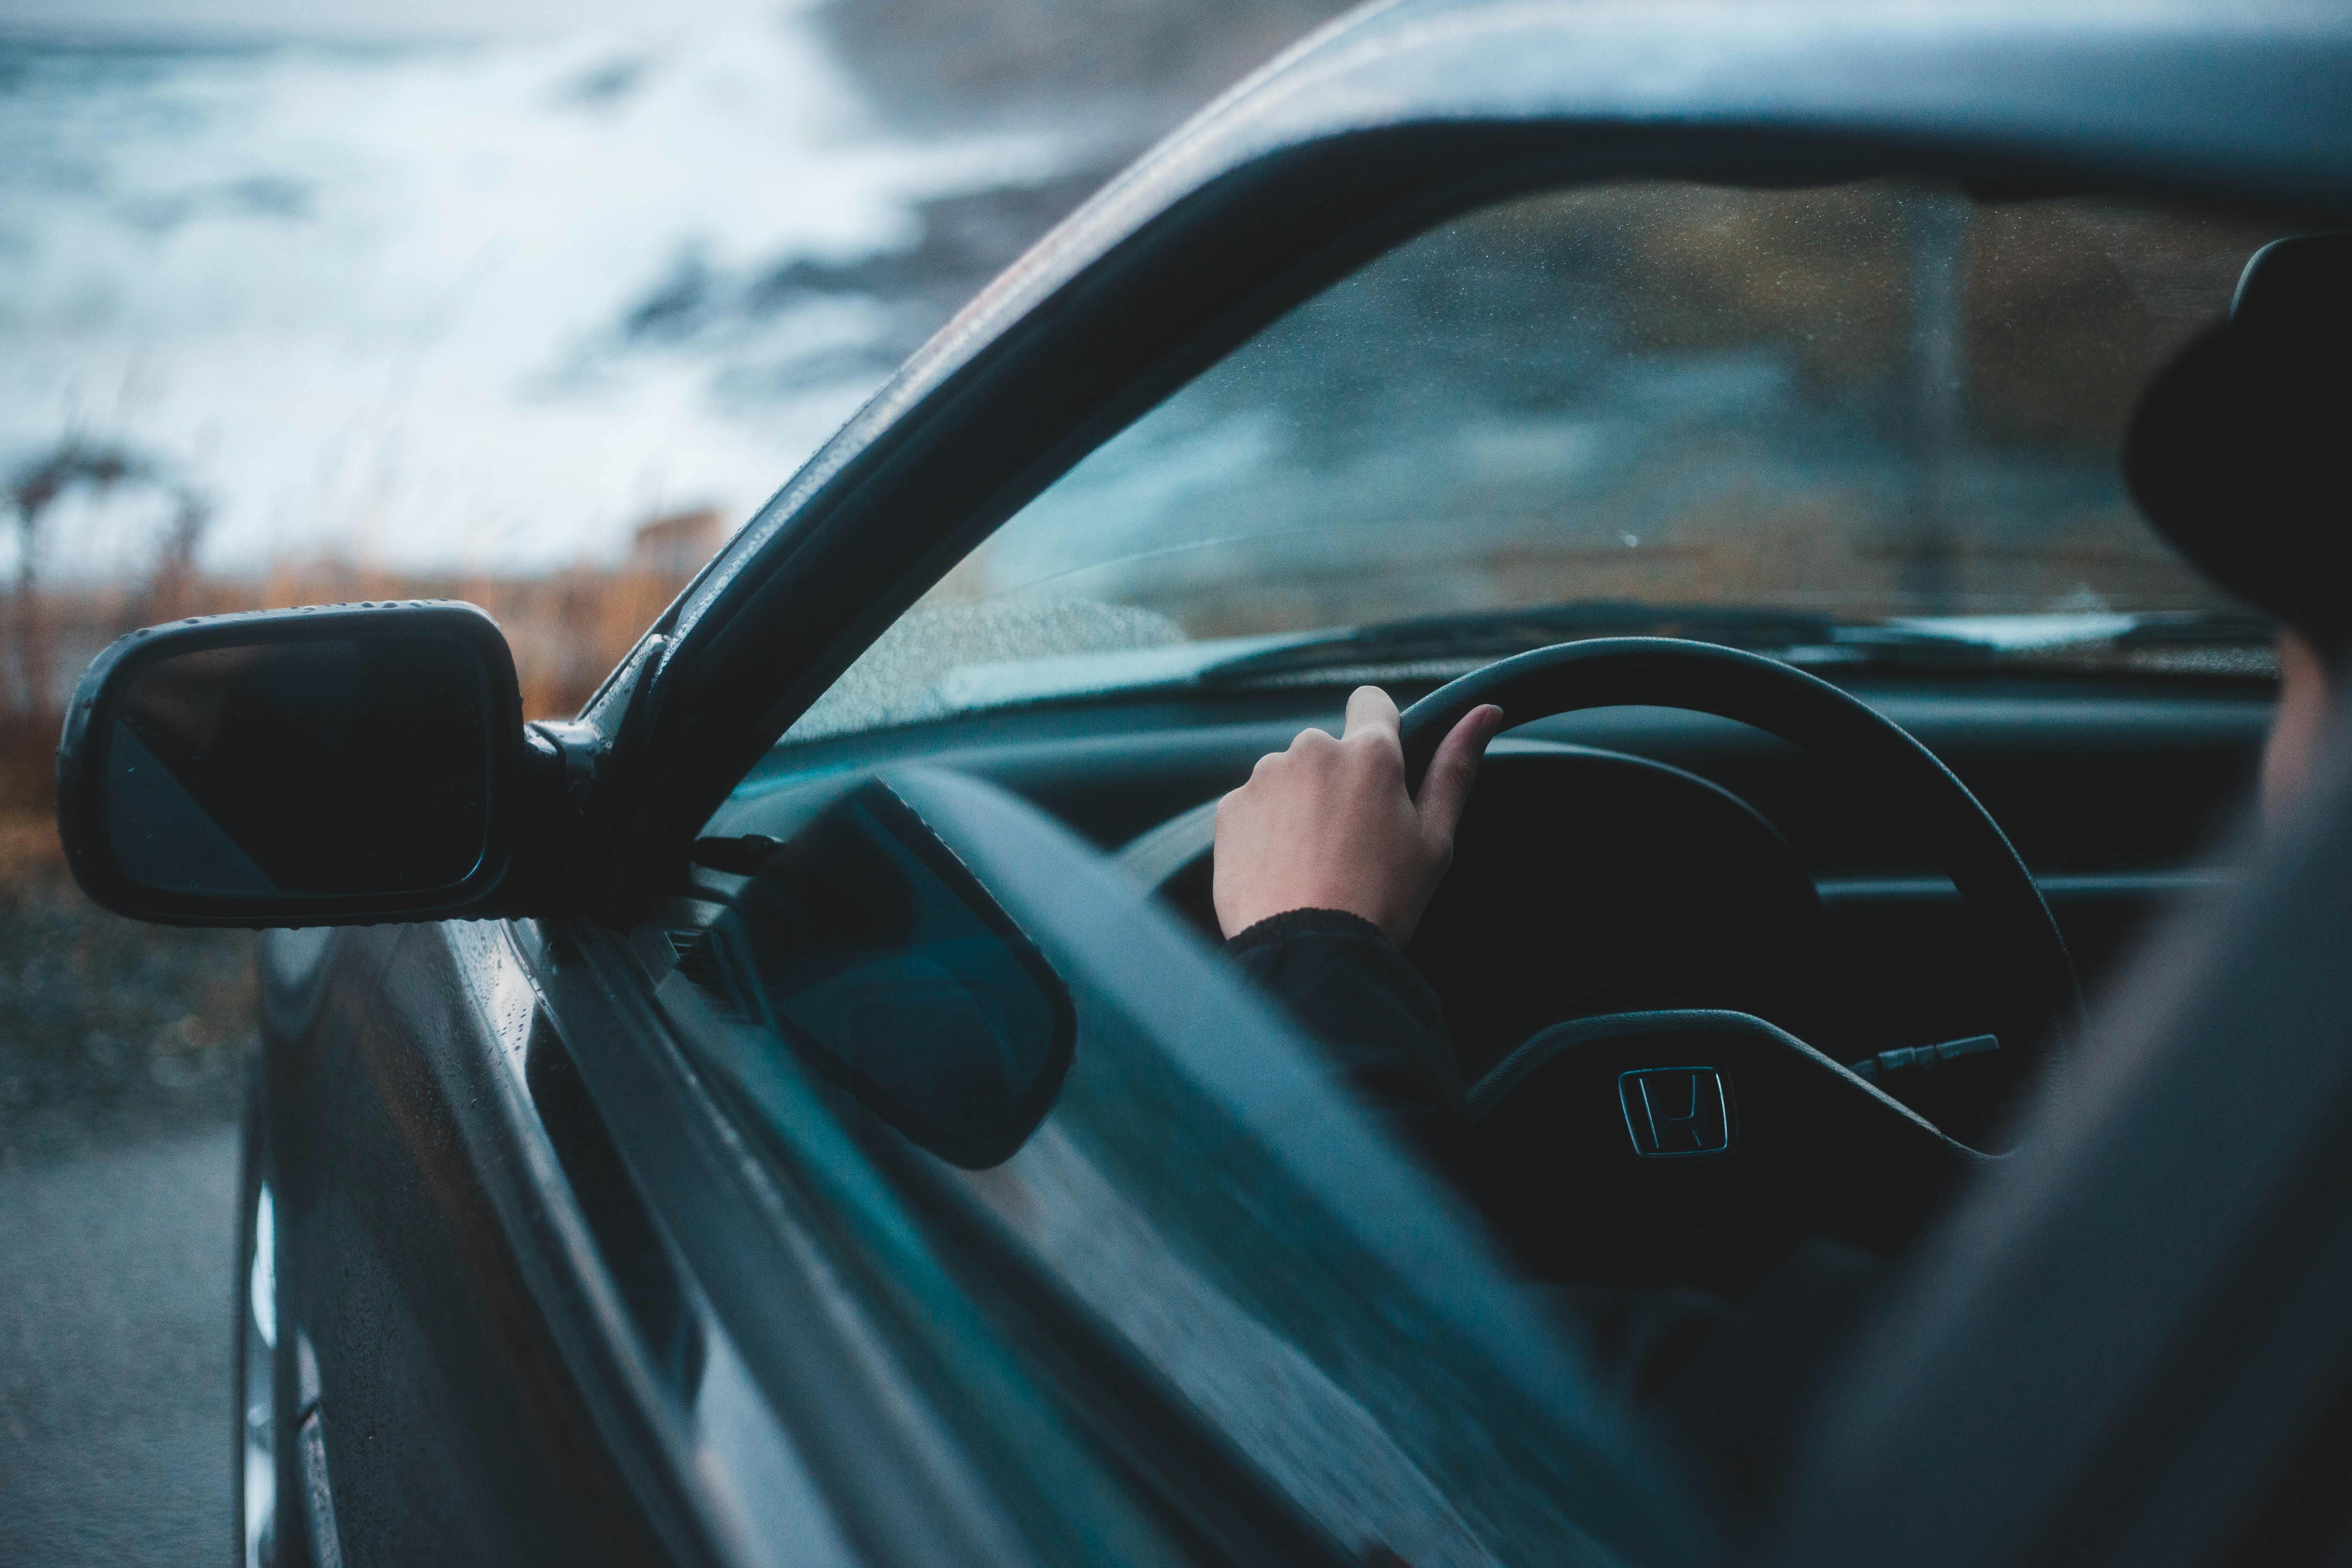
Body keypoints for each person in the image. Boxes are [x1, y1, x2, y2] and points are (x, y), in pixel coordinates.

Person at [1210, 231, 2352, 1527]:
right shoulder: (2249, 1294)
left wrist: (1313, 939)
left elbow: (1411, 1386)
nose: (2290, 741)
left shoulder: (2006, 1407)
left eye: (2302, 655)